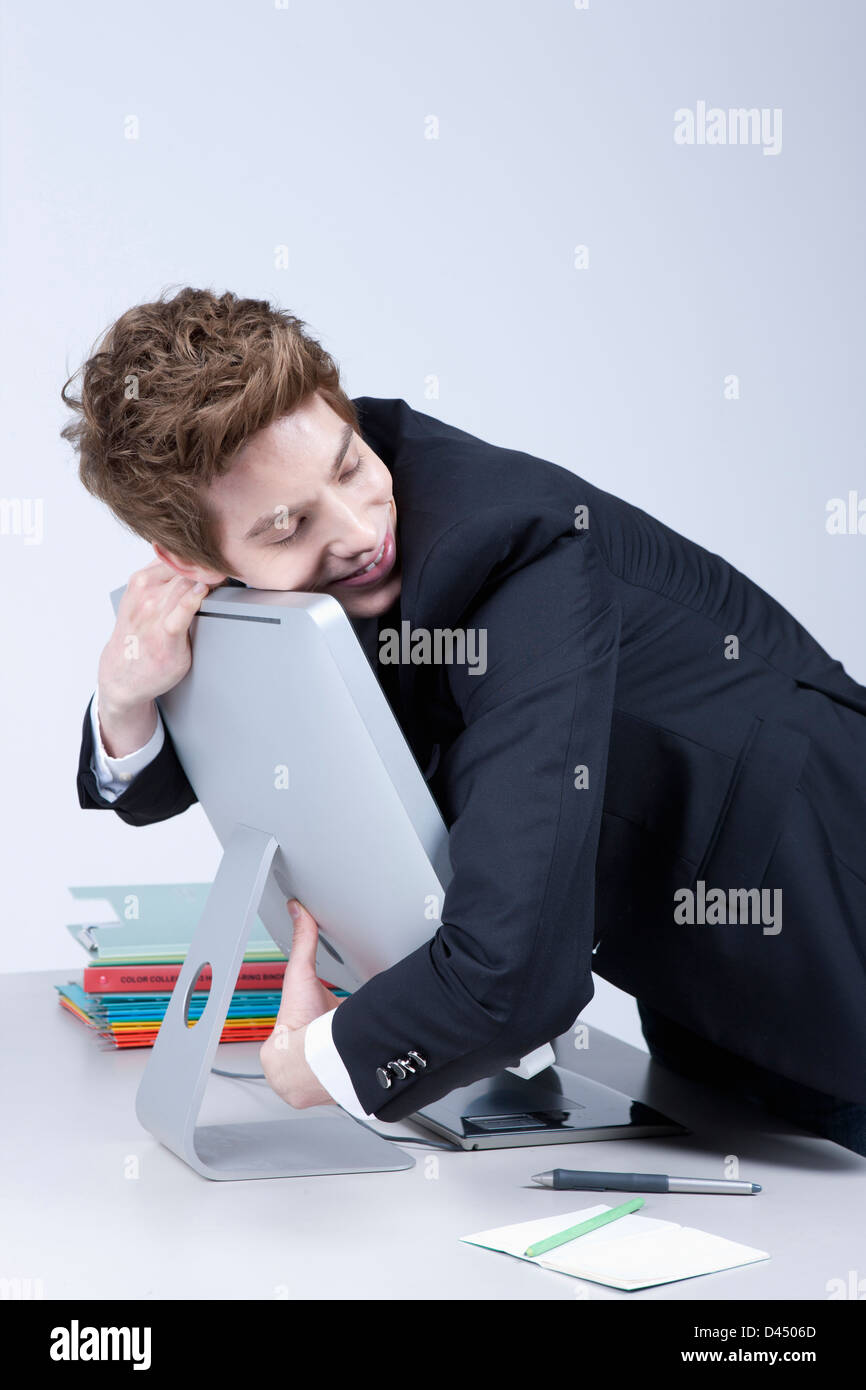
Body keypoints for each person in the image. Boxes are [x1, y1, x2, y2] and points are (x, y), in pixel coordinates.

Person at [65, 287, 866, 1154]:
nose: (360, 530)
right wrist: (127, 697)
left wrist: (321, 1062)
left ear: (342, 411)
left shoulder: (513, 548)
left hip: (830, 913)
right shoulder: (260, 555)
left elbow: (513, 975)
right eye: (290, 525)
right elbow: (242, 751)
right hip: (700, 980)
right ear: (191, 560)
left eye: (348, 467)